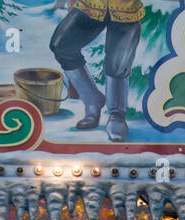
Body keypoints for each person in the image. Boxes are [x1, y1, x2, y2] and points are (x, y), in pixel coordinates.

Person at [49, 0, 143, 142]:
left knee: (118, 63)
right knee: (62, 45)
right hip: (90, 6)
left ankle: (117, 114)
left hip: (125, 10)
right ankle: (92, 100)